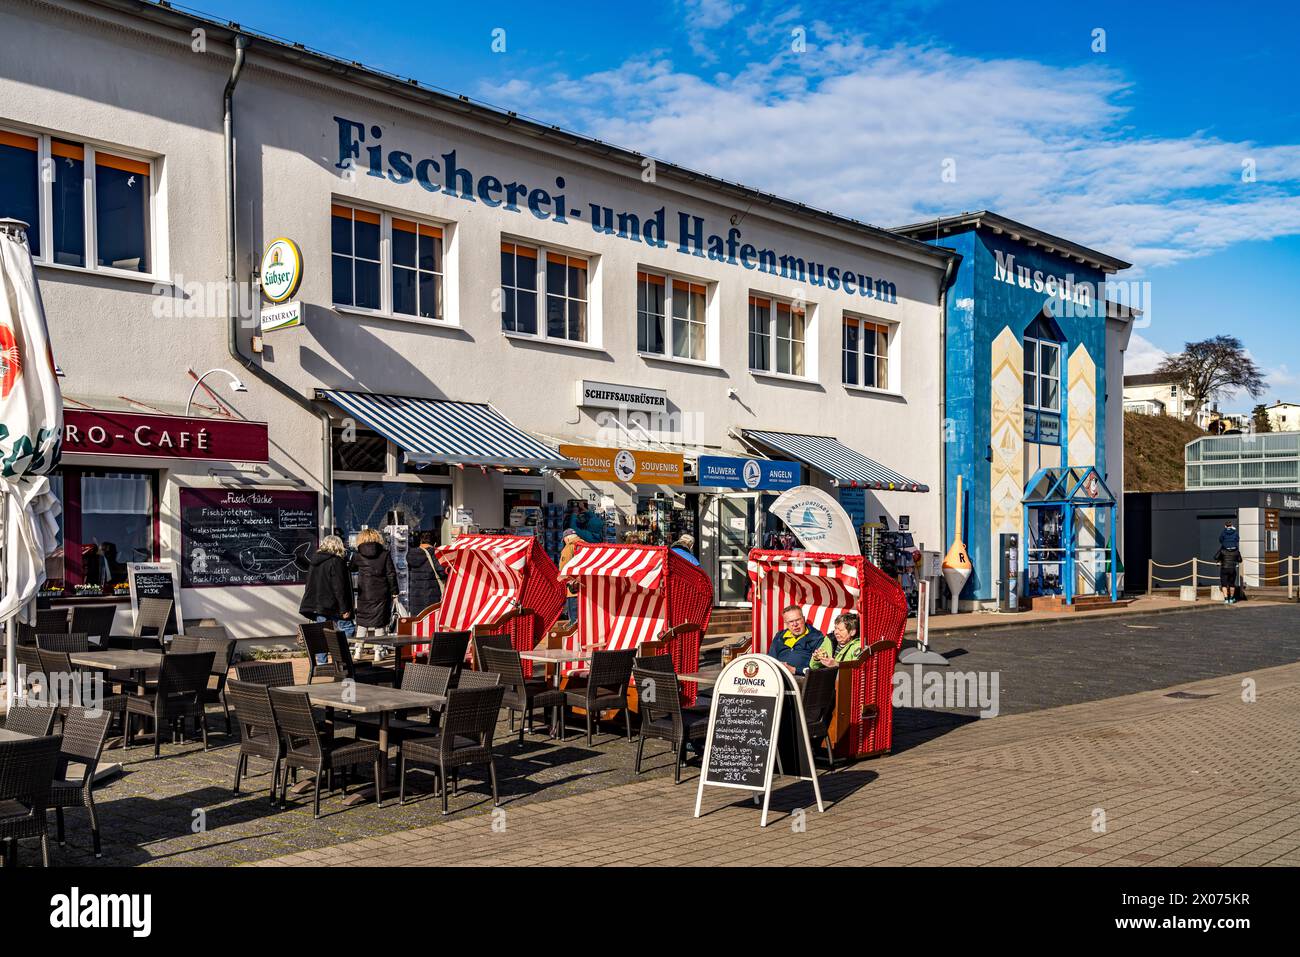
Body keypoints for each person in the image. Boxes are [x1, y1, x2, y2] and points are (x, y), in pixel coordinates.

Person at [299, 534, 355, 642]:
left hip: (318, 605)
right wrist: (344, 609)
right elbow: (339, 587)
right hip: (333, 605)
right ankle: (341, 654)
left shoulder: (315, 561)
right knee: (348, 628)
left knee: (322, 633)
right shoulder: (336, 561)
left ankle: (322, 659)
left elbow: (310, 584)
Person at [350, 527, 399, 636]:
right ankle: (378, 650)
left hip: (365, 593)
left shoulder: (357, 555)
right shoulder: (385, 554)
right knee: (380, 622)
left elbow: (351, 569)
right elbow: (391, 574)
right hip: (382, 594)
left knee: (363, 622)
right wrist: (395, 592)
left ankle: (358, 649)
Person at [766, 605, 823, 676]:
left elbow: (818, 667)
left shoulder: (816, 637)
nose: (795, 624)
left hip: (801, 678)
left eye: (798, 620)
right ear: (786, 623)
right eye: (791, 621)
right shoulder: (780, 636)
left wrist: (794, 670)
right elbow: (771, 658)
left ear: (804, 619)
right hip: (777, 675)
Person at [405, 529, 443, 616]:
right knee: (430, 620)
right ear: (434, 543)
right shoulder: (435, 554)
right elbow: (441, 572)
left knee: (417, 620)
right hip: (431, 595)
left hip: (414, 595)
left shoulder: (410, 554)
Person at [558, 528, 582, 622]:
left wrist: (560, 580)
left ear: (567, 539)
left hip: (573, 590)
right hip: (587, 589)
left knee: (575, 621)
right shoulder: (586, 545)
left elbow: (563, 569)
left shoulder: (569, 548)